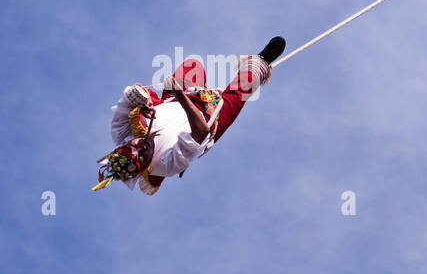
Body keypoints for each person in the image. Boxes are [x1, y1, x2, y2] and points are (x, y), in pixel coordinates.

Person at [93, 37, 285, 193]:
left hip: (176, 101)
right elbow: (200, 132)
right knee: (241, 89)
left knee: (192, 66)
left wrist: (144, 100)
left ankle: (194, 91)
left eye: (135, 147)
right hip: (210, 121)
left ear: (125, 144)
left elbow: (131, 92)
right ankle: (262, 60)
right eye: (143, 157)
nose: (143, 148)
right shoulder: (164, 165)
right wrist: (180, 96)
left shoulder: (122, 131)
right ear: (144, 168)